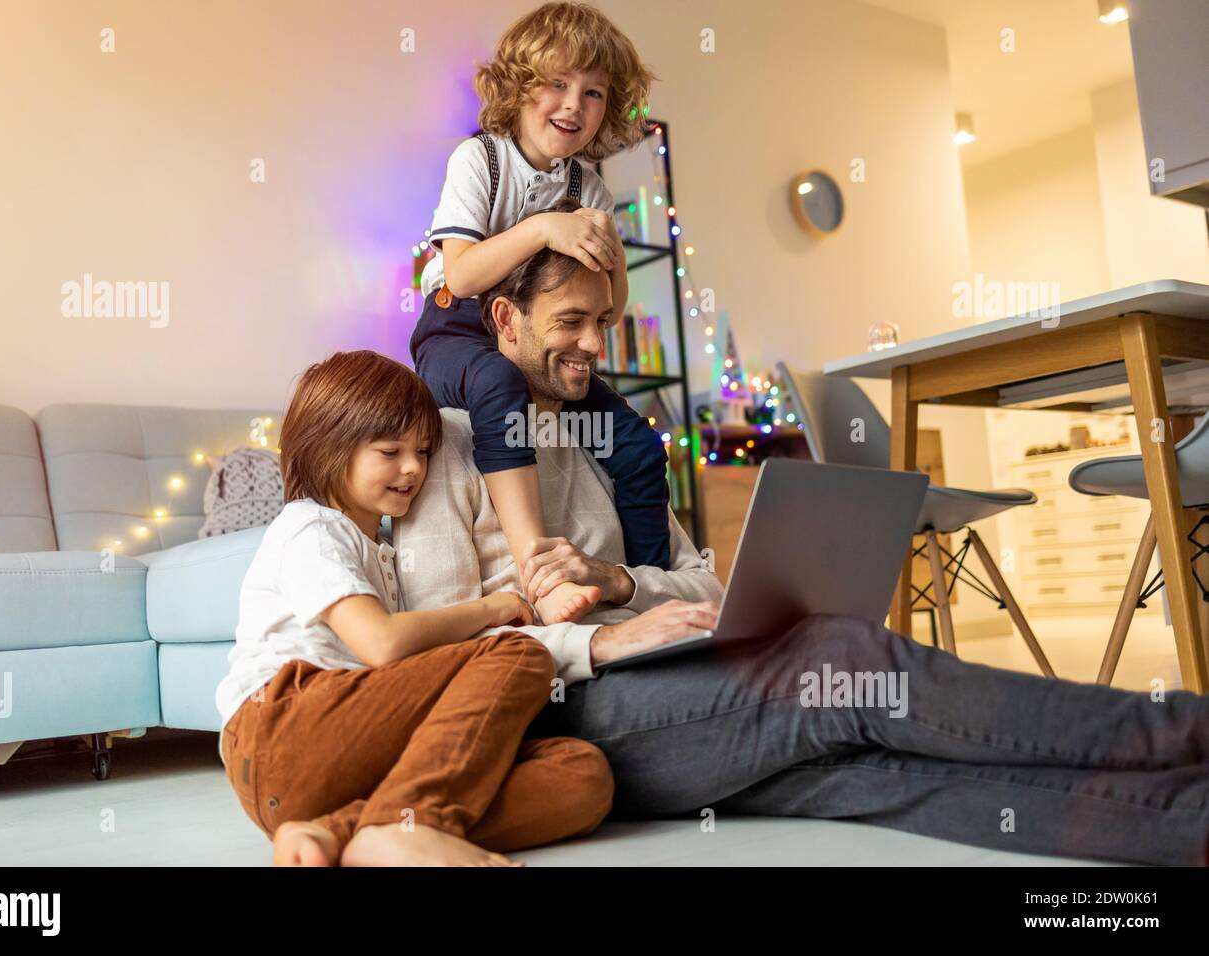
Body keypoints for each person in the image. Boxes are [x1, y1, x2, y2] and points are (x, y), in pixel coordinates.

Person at [396, 207, 1209, 866]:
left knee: (874, 776)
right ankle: (1182, 731)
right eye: (571, 321)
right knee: (844, 662)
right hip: (571, 714)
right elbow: (440, 663)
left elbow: (699, 584)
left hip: (674, 687)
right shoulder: (444, 449)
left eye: (605, 322)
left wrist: (617, 584)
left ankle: (1187, 821)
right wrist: (597, 643)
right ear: (504, 319)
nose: (595, 348)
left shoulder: (610, 447)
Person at [214, 350, 613, 867]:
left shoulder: (381, 546)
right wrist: (494, 608)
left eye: (423, 452)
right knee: (519, 654)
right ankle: (413, 824)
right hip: (281, 729)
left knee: (582, 773)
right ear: (328, 448)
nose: (413, 469)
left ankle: (342, 834)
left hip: (335, 773)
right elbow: (381, 643)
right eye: (390, 451)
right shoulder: (309, 527)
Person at [411, 1, 670, 627]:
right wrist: (544, 228)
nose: (573, 104)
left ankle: (647, 588)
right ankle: (538, 568)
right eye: (557, 83)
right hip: (457, 331)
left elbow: (612, 306)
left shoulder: (590, 186)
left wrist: (608, 249)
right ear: (519, 87)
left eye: (594, 93)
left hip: (537, 342)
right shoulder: (480, 160)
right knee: (499, 386)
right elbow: (466, 273)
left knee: (636, 442)